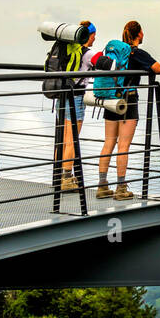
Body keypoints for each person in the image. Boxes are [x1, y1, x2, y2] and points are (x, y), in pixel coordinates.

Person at [96, 20, 160, 200]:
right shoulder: (137, 53)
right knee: (124, 146)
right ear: (139, 34)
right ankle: (121, 188)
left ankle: (102, 185)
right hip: (128, 100)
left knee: (109, 142)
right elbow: (159, 69)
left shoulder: (116, 53)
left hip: (111, 98)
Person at [59, 21, 100, 193]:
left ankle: (58, 176)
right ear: (88, 35)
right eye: (93, 35)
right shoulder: (88, 53)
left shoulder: (69, 49)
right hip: (76, 97)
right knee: (72, 140)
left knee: (62, 138)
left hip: (61, 96)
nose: (95, 38)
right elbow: (105, 64)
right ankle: (67, 179)